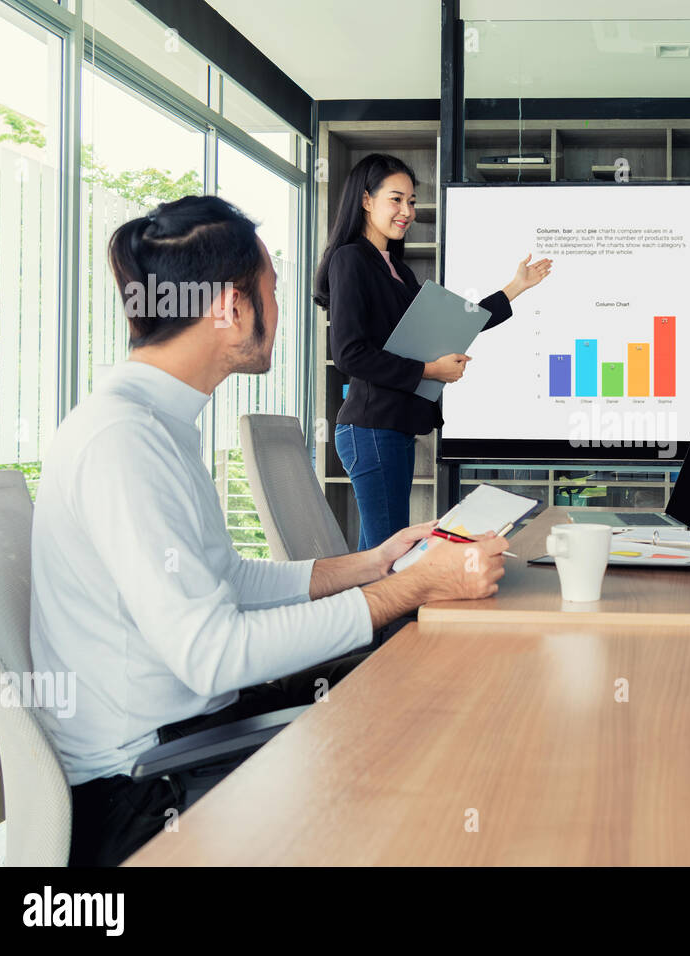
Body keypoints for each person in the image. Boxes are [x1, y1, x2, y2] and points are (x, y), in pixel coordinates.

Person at [29, 195, 508, 866]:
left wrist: (376, 564)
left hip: (195, 736)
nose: (282, 313)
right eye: (273, 293)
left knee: (415, 691)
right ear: (230, 308)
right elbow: (213, 653)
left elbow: (229, 580)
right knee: (421, 760)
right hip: (151, 790)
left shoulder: (153, 422)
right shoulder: (122, 442)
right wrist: (412, 588)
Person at [314, 153, 552, 550]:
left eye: (411, 201)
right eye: (396, 199)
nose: (407, 211)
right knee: (390, 553)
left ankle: (359, 612)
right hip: (371, 428)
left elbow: (451, 325)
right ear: (366, 200)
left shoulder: (397, 268)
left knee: (379, 552)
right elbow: (349, 354)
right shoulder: (351, 259)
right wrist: (429, 369)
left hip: (391, 427)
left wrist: (514, 288)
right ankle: (380, 614)